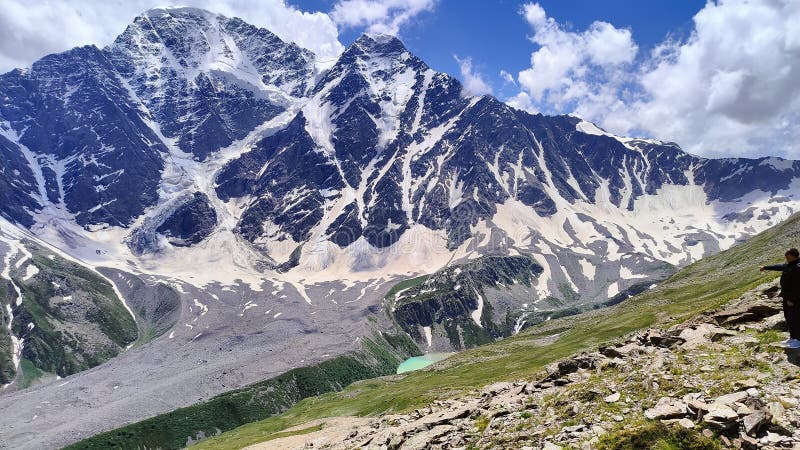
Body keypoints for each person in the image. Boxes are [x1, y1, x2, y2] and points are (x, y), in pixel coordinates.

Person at [761, 248, 800, 349]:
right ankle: (792, 337)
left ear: (792, 255)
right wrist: (765, 267)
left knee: (795, 318)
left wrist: (792, 299)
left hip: (794, 299)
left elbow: (797, 286)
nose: (785, 257)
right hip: (787, 297)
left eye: (787, 255)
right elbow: (779, 266)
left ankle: (798, 340)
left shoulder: (797, 267)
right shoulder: (790, 265)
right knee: (788, 317)